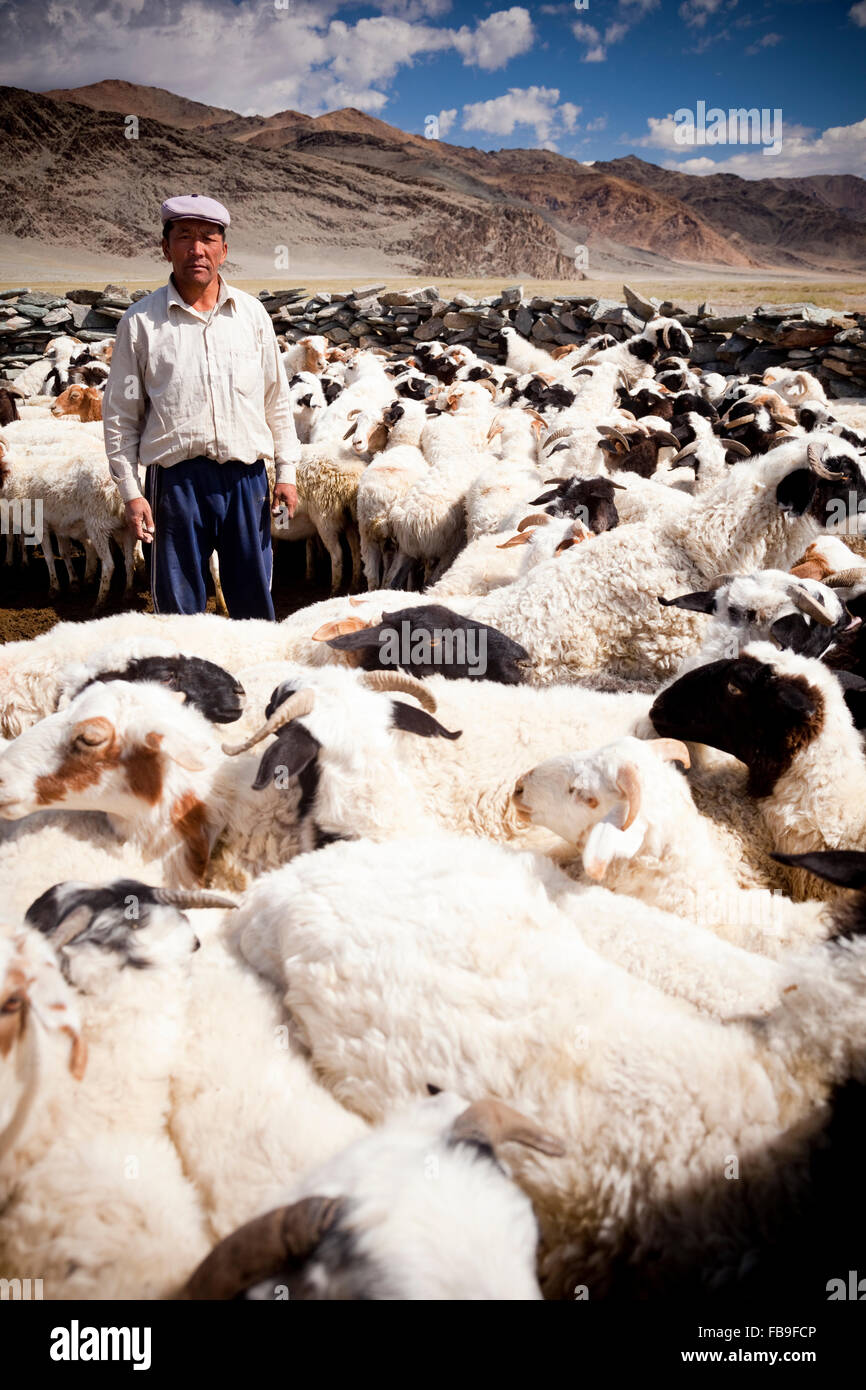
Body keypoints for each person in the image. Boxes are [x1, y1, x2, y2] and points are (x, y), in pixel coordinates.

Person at [103, 194, 300, 620]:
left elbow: (276, 399)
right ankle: (185, 686)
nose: (197, 249)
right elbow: (120, 416)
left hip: (247, 481)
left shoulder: (251, 315)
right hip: (174, 485)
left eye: (209, 238)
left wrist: (286, 472)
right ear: (165, 246)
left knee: (254, 608)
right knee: (179, 614)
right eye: (185, 237)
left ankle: (255, 682)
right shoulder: (140, 323)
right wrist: (130, 492)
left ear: (224, 250)